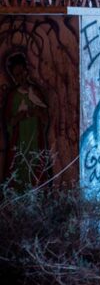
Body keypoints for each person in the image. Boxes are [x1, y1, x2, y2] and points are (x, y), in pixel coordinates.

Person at [2, 53, 49, 189]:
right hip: (19, 145)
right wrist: (19, 117)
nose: (21, 77)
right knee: (19, 176)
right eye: (17, 75)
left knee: (36, 174)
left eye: (22, 72)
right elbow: (9, 123)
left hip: (35, 143)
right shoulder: (13, 97)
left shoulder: (36, 92)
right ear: (13, 77)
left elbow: (45, 120)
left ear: (26, 71)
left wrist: (37, 113)